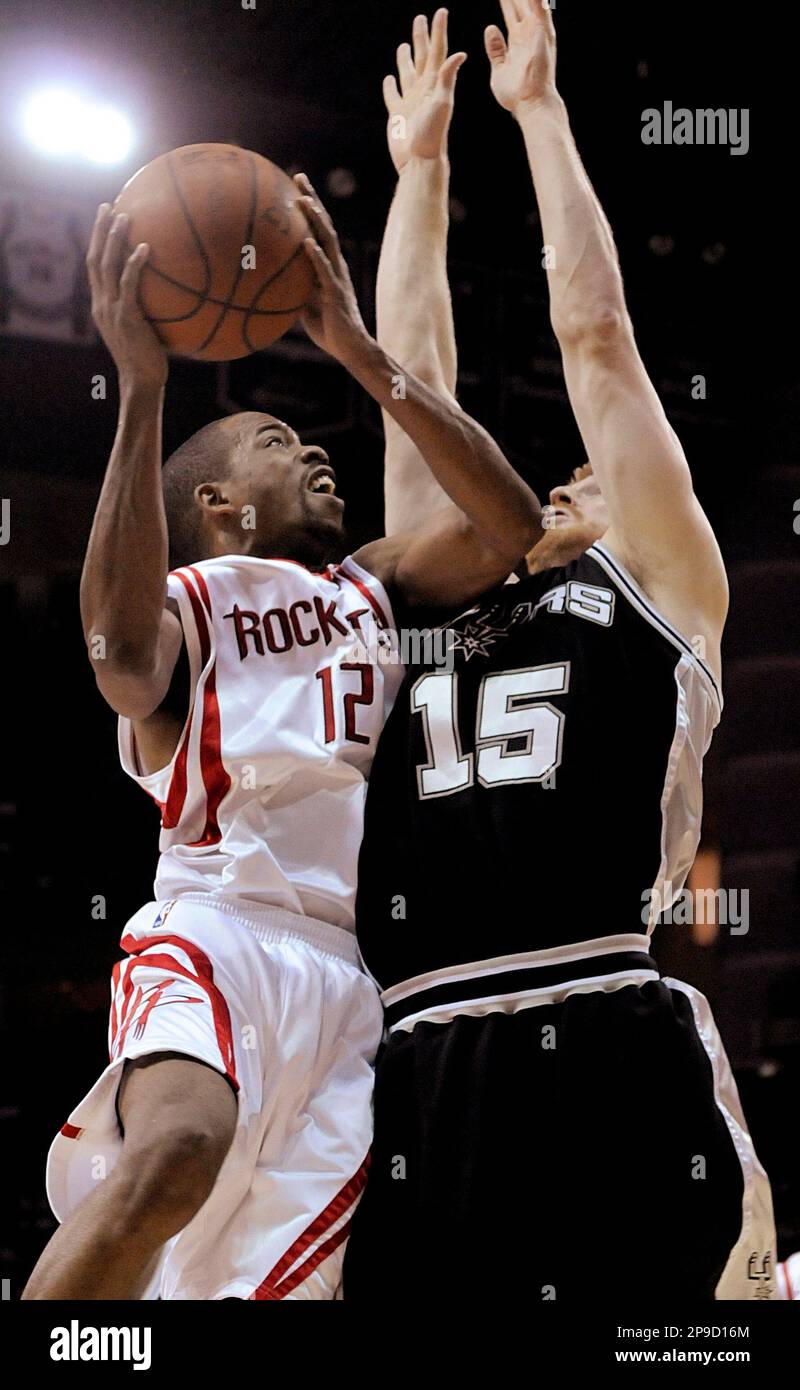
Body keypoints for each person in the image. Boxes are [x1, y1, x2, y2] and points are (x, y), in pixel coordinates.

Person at [23, 176, 542, 1301]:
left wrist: (360, 351)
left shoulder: (373, 585)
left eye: (313, 439)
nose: (315, 455)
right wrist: (143, 387)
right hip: (218, 926)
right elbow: (118, 661)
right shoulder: (190, 594)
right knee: (171, 1158)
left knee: (265, 1291)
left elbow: (511, 523)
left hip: (350, 980)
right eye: (277, 440)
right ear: (214, 499)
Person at [343, 5, 777, 1301]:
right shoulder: (438, 586)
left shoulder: (653, 578)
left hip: (600, 1011)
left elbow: (596, 338)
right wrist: (419, 172)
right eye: (568, 473)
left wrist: (538, 116)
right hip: (420, 1041)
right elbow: (408, 375)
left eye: (592, 472)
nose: (578, 475)